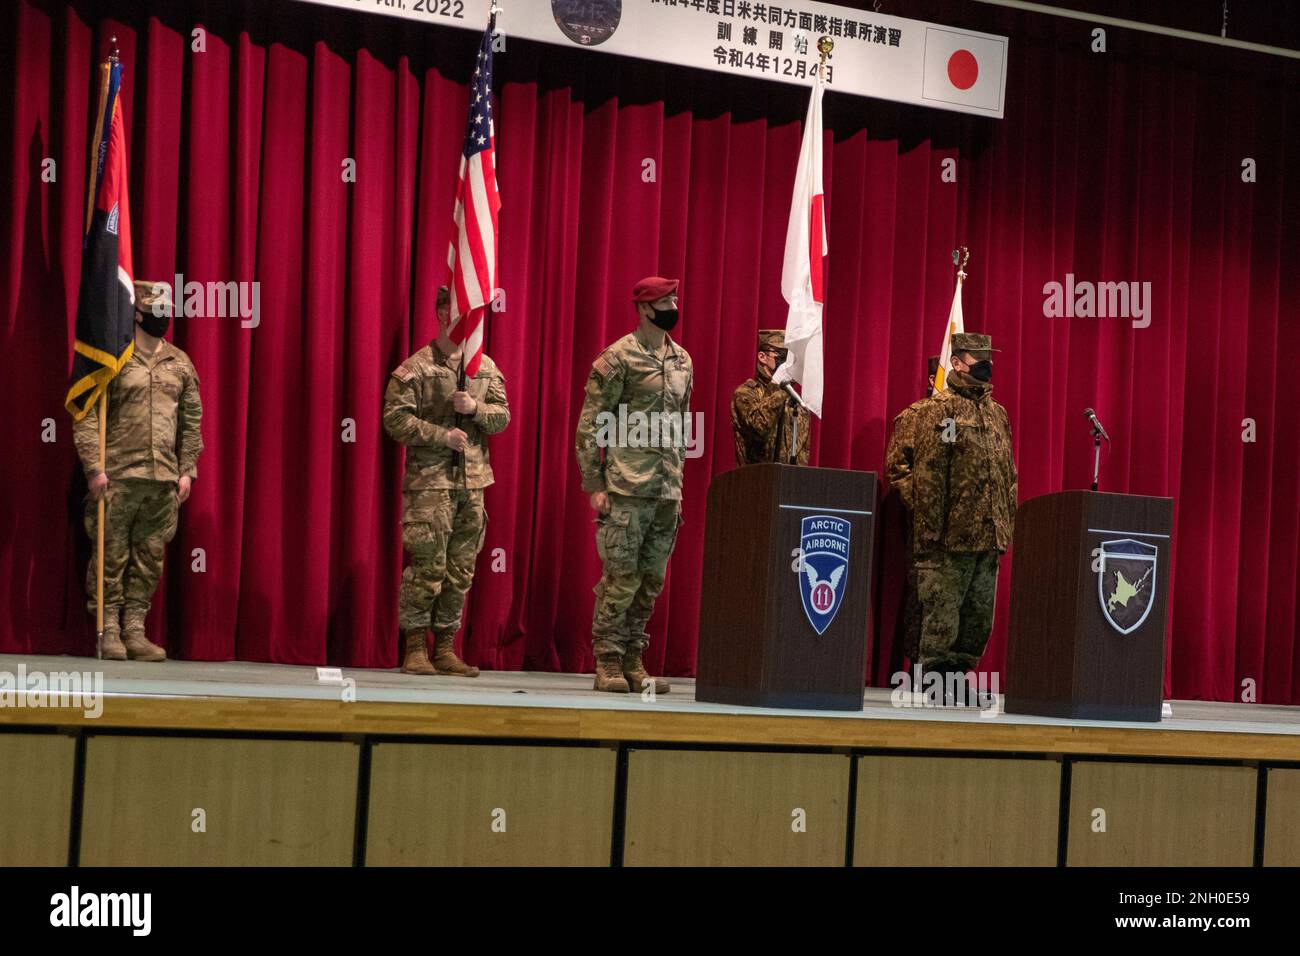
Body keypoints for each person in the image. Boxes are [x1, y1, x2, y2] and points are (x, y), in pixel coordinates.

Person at [382, 286, 510, 677]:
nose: (465, 319)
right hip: (430, 485)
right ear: (440, 313)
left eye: (472, 313)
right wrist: (441, 435)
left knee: (461, 570)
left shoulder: (483, 368)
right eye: (457, 311)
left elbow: (502, 416)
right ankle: (416, 649)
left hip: (473, 484)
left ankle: (446, 649)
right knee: (427, 567)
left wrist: (476, 409)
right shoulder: (416, 368)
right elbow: (394, 419)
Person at [73, 280, 203, 661]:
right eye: (156, 313)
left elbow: (192, 422)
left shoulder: (180, 363)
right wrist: (93, 468)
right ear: (137, 312)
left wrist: (187, 470)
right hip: (117, 474)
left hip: (162, 480)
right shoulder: (113, 360)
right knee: (109, 557)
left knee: (148, 560)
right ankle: (108, 629)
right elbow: (84, 415)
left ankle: (135, 630)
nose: (162, 319)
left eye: (167, 312)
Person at [575, 276, 692, 694]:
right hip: (626, 486)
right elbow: (591, 424)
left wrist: (678, 482)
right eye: (665, 300)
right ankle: (606, 661)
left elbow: (681, 425)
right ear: (644, 308)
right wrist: (595, 482)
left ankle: (633, 659)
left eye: (675, 298)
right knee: (621, 578)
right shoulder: (617, 359)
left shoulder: (682, 361)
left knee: (651, 580)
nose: (673, 306)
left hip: (666, 490)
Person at [906, 333, 1016, 702]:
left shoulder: (997, 413)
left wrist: (1006, 523)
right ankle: (932, 681)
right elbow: (928, 476)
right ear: (956, 363)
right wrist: (931, 532)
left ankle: (957, 679)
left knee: (977, 616)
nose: (986, 366)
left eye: (989, 359)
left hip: (989, 534)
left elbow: (1009, 475)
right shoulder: (940, 410)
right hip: (950, 536)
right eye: (977, 359)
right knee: (943, 612)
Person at [884, 355, 940, 665]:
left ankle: (948, 671)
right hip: (925, 525)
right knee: (923, 595)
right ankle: (918, 668)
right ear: (932, 379)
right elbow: (898, 468)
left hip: (962, 526)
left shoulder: (970, 417)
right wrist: (922, 508)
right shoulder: (915, 417)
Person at [731, 329, 810, 466]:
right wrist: (776, 386)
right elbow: (758, 428)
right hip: (757, 481)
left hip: (790, 482)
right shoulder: (747, 393)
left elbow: (801, 453)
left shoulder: (795, 400)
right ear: (762, 357)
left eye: (791, 358)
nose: (787, 363)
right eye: (783, 355)